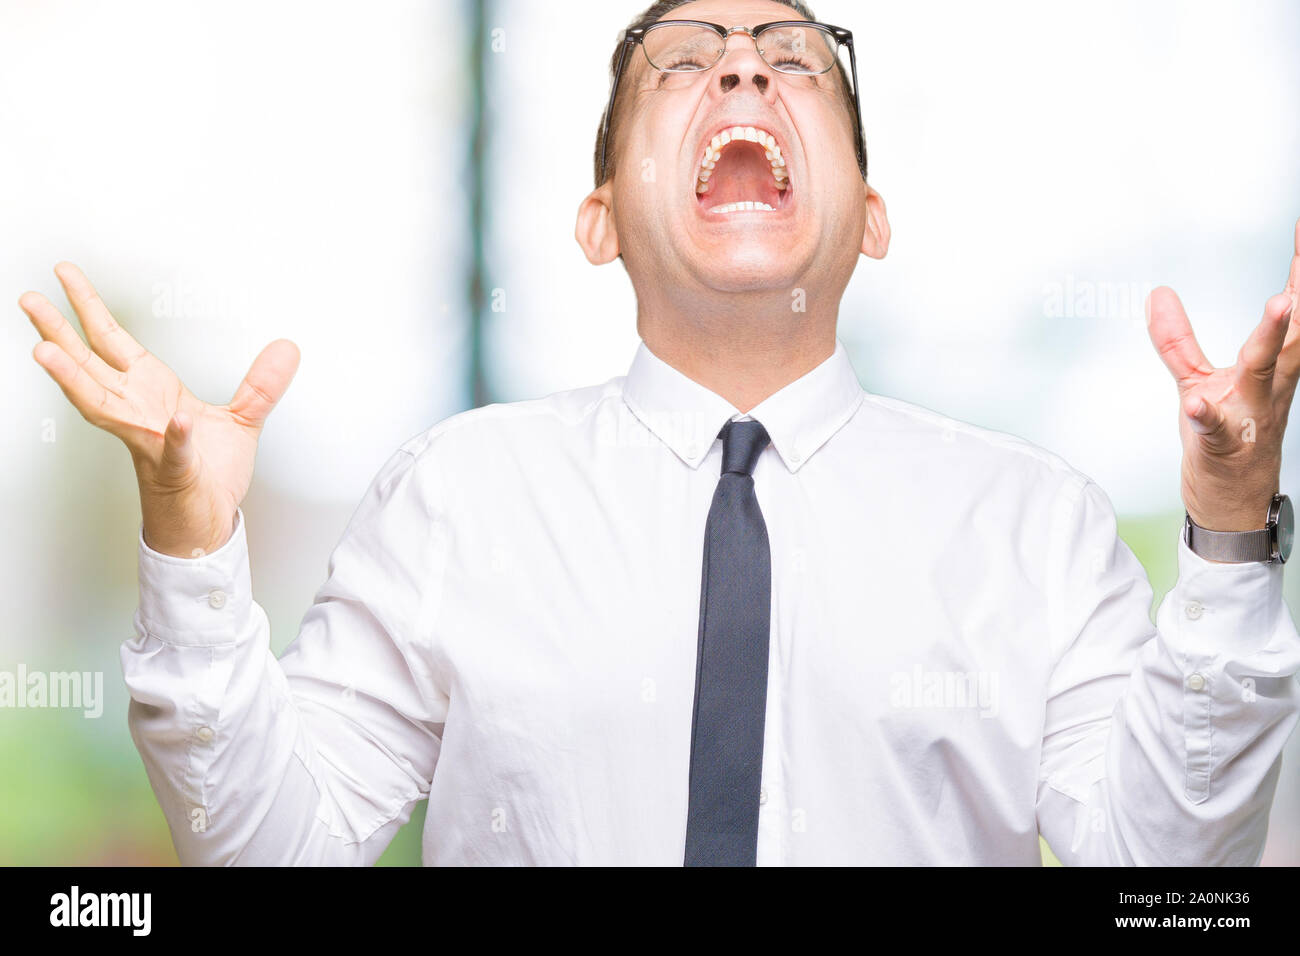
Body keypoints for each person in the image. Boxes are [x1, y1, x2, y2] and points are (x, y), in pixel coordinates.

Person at [18, 0, 1300, 866]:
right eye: (682, 63)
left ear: (871, 213)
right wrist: (189, 547)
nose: (743, 66)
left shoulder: (1035, 523)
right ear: (597, 221)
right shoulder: (458, 497)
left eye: (794, 60)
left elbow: (1166, 866)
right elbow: (265, 848)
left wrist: (1233, 526)